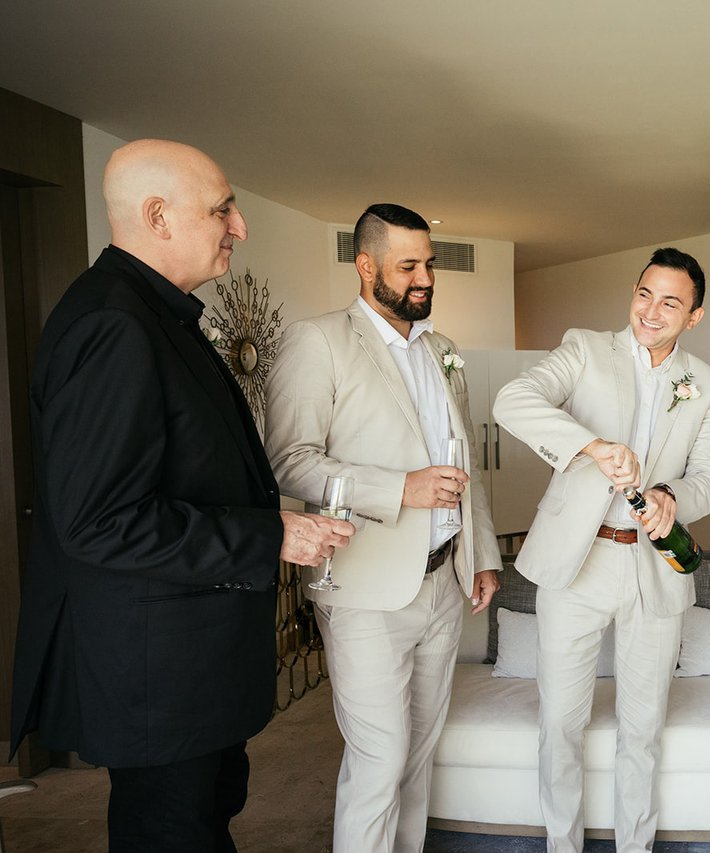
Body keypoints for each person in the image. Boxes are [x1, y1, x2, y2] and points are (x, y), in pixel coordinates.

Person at [8, 139, 353, 852]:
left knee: (203, 818)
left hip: (187, 669)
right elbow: (101, 521)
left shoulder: (160, 314)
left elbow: (179, 474)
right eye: (223, 208)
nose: (240, 226)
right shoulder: (113, 325)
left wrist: (274, 512)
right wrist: (272, 538)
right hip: (156, 678)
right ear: (158, 215)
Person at [265, 202, 502, 853]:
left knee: (418, 757)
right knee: (379, 758)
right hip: (366, 587)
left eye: (429, 262)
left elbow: (466, 464)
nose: (425, 276)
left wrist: (481, 554)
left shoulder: (444, 351)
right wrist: (400, 489)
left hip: (444, 582)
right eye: (409, 265)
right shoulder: (318, 340)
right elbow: (288, 460)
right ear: (366, 265)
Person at [493, 247, 710, 853]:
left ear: (694, 317)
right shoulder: (586, 349)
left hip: (654, 569)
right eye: (644, 293)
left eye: (670, 302)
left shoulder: (709, 385)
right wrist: (591, 446)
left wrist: (675, 495)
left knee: (642, 729)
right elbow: (512, 400)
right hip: (577, 565)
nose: (651, 310)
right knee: (560, 725)